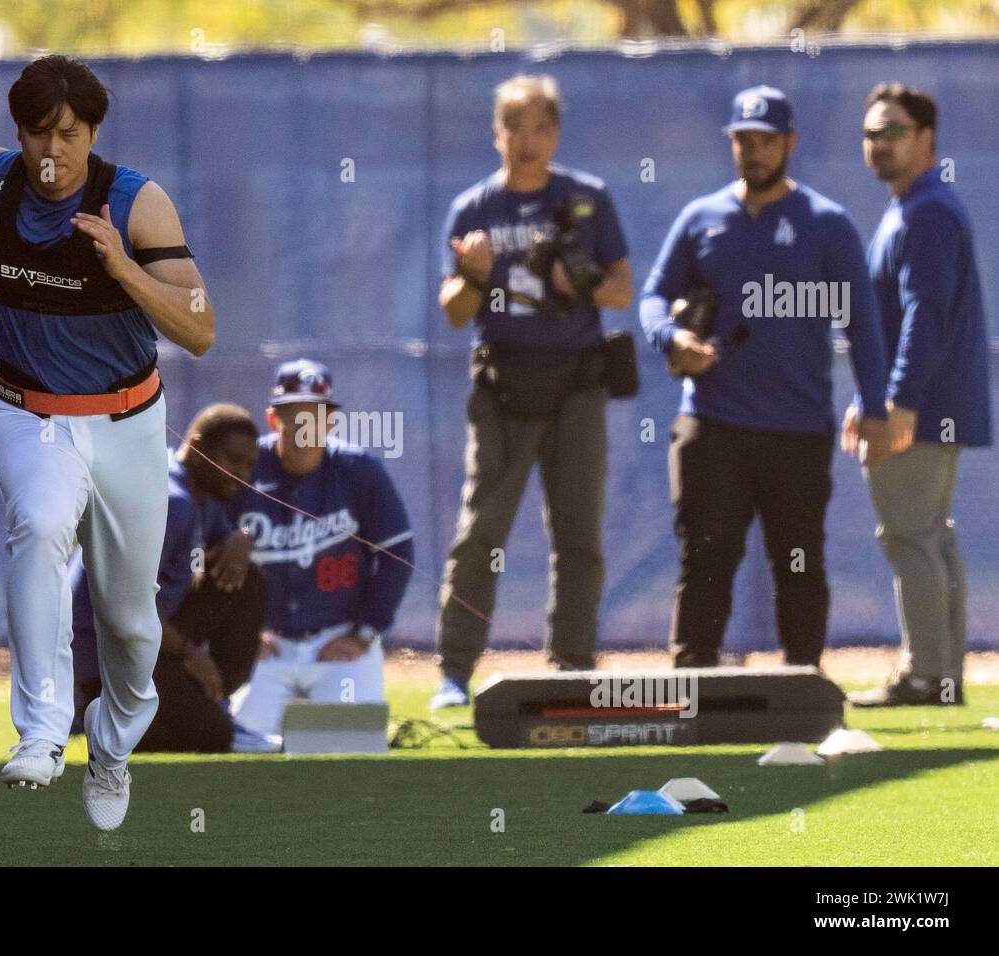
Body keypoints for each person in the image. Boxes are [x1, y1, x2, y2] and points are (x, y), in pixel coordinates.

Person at [0, 54, 214, 831]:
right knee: (37, 523)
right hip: (27, 409)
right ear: (19, 133)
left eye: (67, 135)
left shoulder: (138, 205)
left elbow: (200, 328)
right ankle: (39, 730)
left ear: (93, 131)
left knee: (130, 622)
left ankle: (111, 745)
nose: (50, 154)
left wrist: (123, 269)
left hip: (128, 421)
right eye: (36, 135)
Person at [639, 85, 889, 669]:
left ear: (790, 144)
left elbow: (863, 325)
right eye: (743, 141)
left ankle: (803, 687)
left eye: (765, 141)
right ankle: (691, 685)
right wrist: (670, 337)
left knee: (798, 560)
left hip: (797, 429)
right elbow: (654, 296)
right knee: (705, 558)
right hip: (712, 422)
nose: (753, 152)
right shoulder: (702, 218)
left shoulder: (826, 225)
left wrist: (874, 406)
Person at [432, 74, 633, 709]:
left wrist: (579, 287)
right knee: (480, 533)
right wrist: (474, 276)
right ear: (497, 133)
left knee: (578, 535)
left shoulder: (587, 199)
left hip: (577, 384)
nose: (527, 139)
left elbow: (623, 290)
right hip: (502, 389)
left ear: (556, 133)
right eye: (514, 127)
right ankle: (453, 674)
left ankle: (571, 668)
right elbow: (455, 312)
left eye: (540, 126)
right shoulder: (474, 209)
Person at [847, 84, 992, 707]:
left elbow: (924, 316)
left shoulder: (926, 211)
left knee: (909, 535)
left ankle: (927, 676)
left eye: (893, 131)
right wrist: (870, 396)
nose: (879, 143)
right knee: (930, 533)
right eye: (871, 133)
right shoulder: (914, 205)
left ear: (926, 139)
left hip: (923, 407)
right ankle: (944, 677)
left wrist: (898, 402)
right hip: (930, 402)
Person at [229, 360, 413, 743]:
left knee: (351, 747)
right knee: (240, 748)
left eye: (316, 416)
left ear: (331, 422)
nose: (305, 429)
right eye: (295, 417)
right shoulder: (244, 468)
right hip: (264, 647)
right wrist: (239, 631)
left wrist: (364, 633)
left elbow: (397, 554)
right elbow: (204, 553)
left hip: (338, 641)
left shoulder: (358, 470)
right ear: (273, 419)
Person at [69, 403, 271, 750]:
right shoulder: (169, 501)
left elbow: (217, 560)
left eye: (250, 465)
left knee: (247, 580)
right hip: (105, 654)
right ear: (195, 446)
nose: (242, 475)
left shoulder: (199, 495)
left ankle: (207, 703)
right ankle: (100, 713)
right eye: (233, 460)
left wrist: (241, 539)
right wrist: (191, 654)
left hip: (145, 639)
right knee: (213, 737)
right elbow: (124, 609)